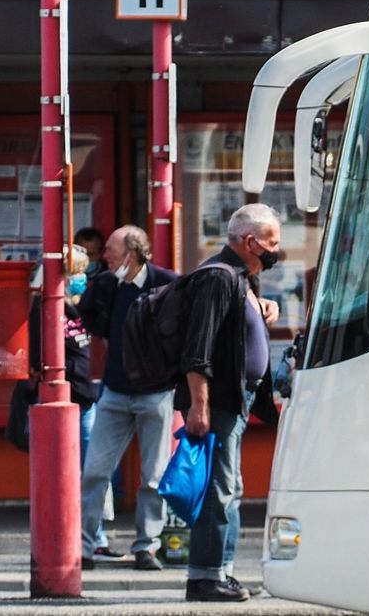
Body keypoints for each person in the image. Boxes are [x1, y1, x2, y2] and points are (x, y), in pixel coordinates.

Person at [180, 203, 282, 603]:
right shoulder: (219, 279)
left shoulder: (243, 278)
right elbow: (197, 349)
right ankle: (205, 578)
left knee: (230, 489)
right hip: (218, 404)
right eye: (272, 243)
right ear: (250, 241)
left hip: (236, 403)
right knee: (218, 491)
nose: (277, 250)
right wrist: (199, 405)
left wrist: (263, 307)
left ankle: (222, 572)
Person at [77, 225, 178, 571]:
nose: (104, 256)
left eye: (111, 250)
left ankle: (146, 547)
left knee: (153, 477)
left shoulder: (166, 282)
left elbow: (185, 329)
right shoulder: (106, 284)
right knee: (94, 472)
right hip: (115, 391)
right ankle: (85, 547)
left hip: (156, 393)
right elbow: (85, 316)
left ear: (131, 255)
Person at [27, 247, 113, 555]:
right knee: (70, 472)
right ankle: (72, 537)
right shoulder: (45, 308)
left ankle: (95, 537)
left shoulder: (80, 306)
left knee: (94, 471)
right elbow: (38, 357)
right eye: (76, 272)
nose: (81, 278)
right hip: (66, 399)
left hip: (88, 398)